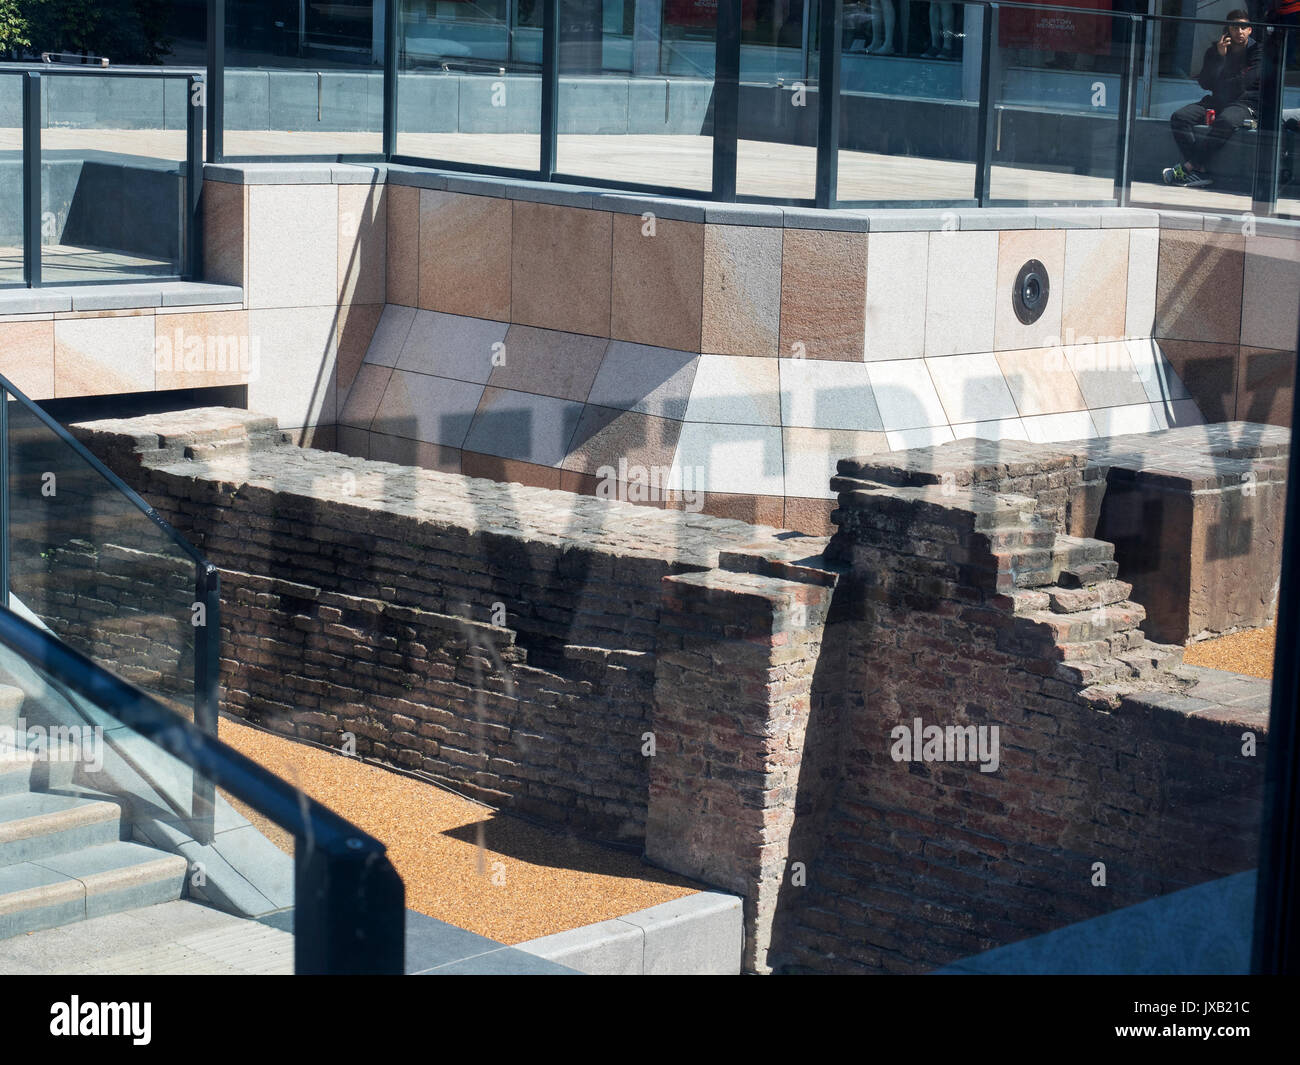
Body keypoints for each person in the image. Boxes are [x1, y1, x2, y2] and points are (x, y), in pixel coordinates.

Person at [1163, 11, 1261, 187]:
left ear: (1250, 30)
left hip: (1245, 103)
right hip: (1218, 100)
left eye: (1244, 27)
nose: (1239, 31)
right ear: (1227, 29)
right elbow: (1205, 82)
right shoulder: (1215, 51)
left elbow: (1244, 83)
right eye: (1235, 27)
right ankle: (1199, 170)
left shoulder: (1257, 52)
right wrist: (1220, 58)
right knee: (1180, 117)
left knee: (1226, 121)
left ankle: (1189, 167)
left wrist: (1222, 81)